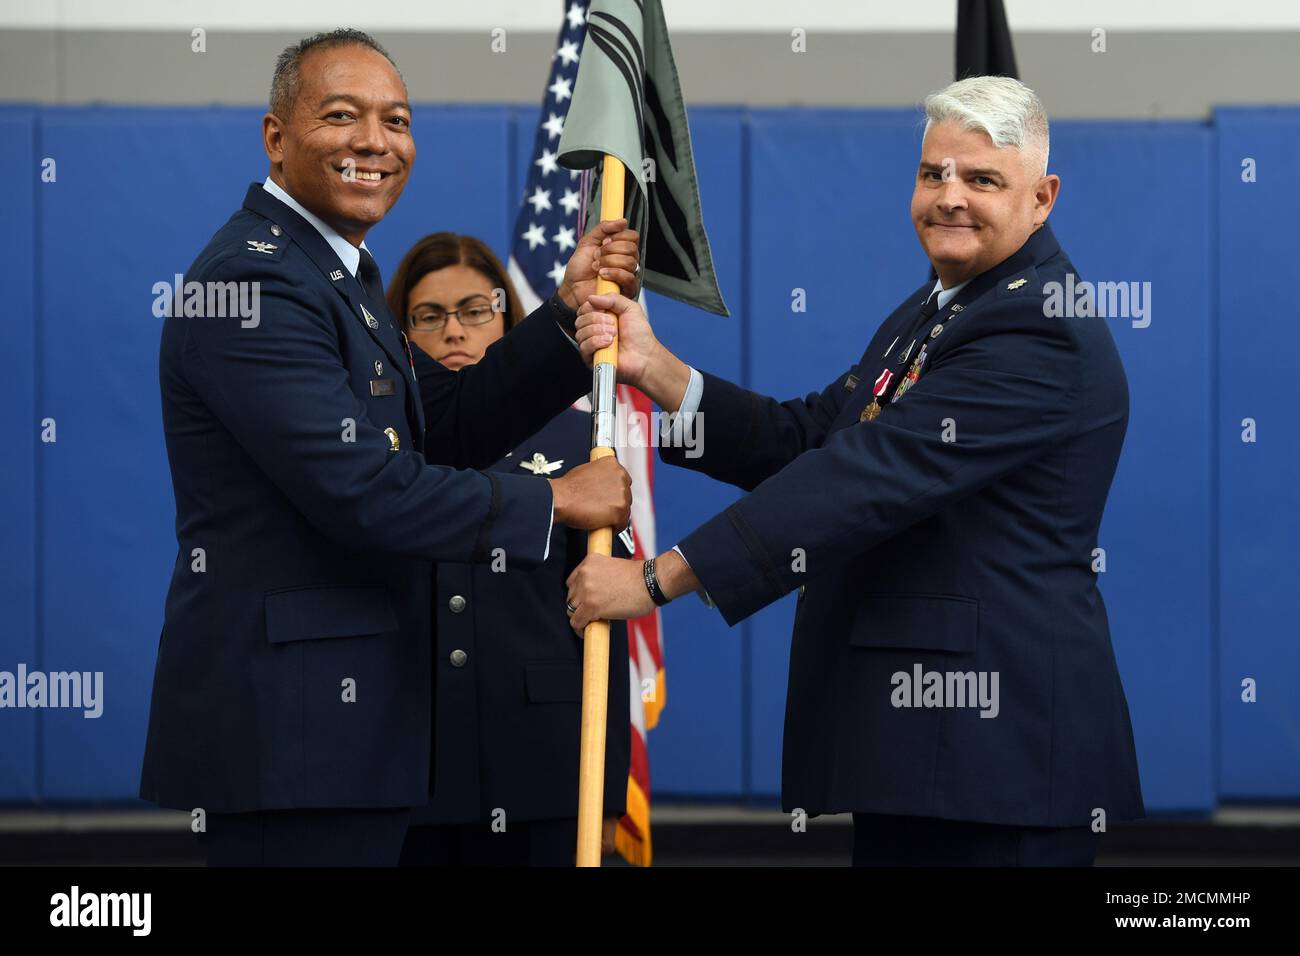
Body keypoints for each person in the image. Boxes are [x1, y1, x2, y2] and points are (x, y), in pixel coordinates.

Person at [566, 76, 1145, 866]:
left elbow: (867, 475)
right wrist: (659, 369)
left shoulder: (1038, 327)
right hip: (926, 756)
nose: (950, 198)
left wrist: (659, 579)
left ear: (1042, 198)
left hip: (999, 761)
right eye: (933, 174)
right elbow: (811, 437)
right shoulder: (940, 307)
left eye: (982, 180)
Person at [140, 28, 640, 867]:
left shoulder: (335, 272)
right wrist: (554, 500)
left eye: (397, 121)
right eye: (342, 116)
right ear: (276, 137)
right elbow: (361, 487)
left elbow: (442, 427)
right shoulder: (254, 284)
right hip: (295, 742)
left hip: (345, 738)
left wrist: (562, 316)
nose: (375, 142)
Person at [382, 233, 632, 866]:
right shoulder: (378, 444)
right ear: (398, 334)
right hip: (412, 767)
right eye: (429, 316)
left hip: (543, 764)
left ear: (507, 317)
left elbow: (608, 618)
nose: (455, 332)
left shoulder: (582, 435)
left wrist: (605, 794)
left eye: (475, 309)